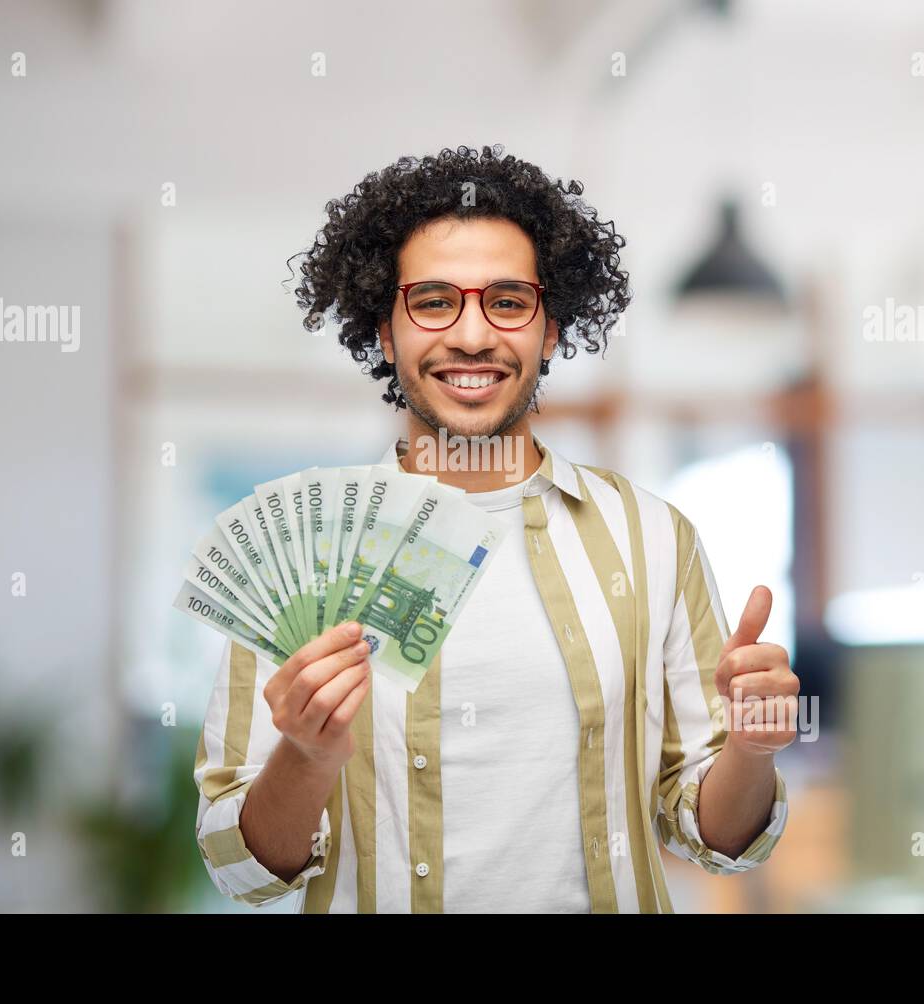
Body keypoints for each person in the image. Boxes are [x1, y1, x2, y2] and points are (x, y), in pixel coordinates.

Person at [193, 144, 799, 913]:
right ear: (385, 333)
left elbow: (714, 837)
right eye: (435, 301)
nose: (474, 336)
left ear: (550, 330)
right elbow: (239, 866)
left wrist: (750, 750)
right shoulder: (302, 557)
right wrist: (307, 757)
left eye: (508, 302)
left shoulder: (654, 538)